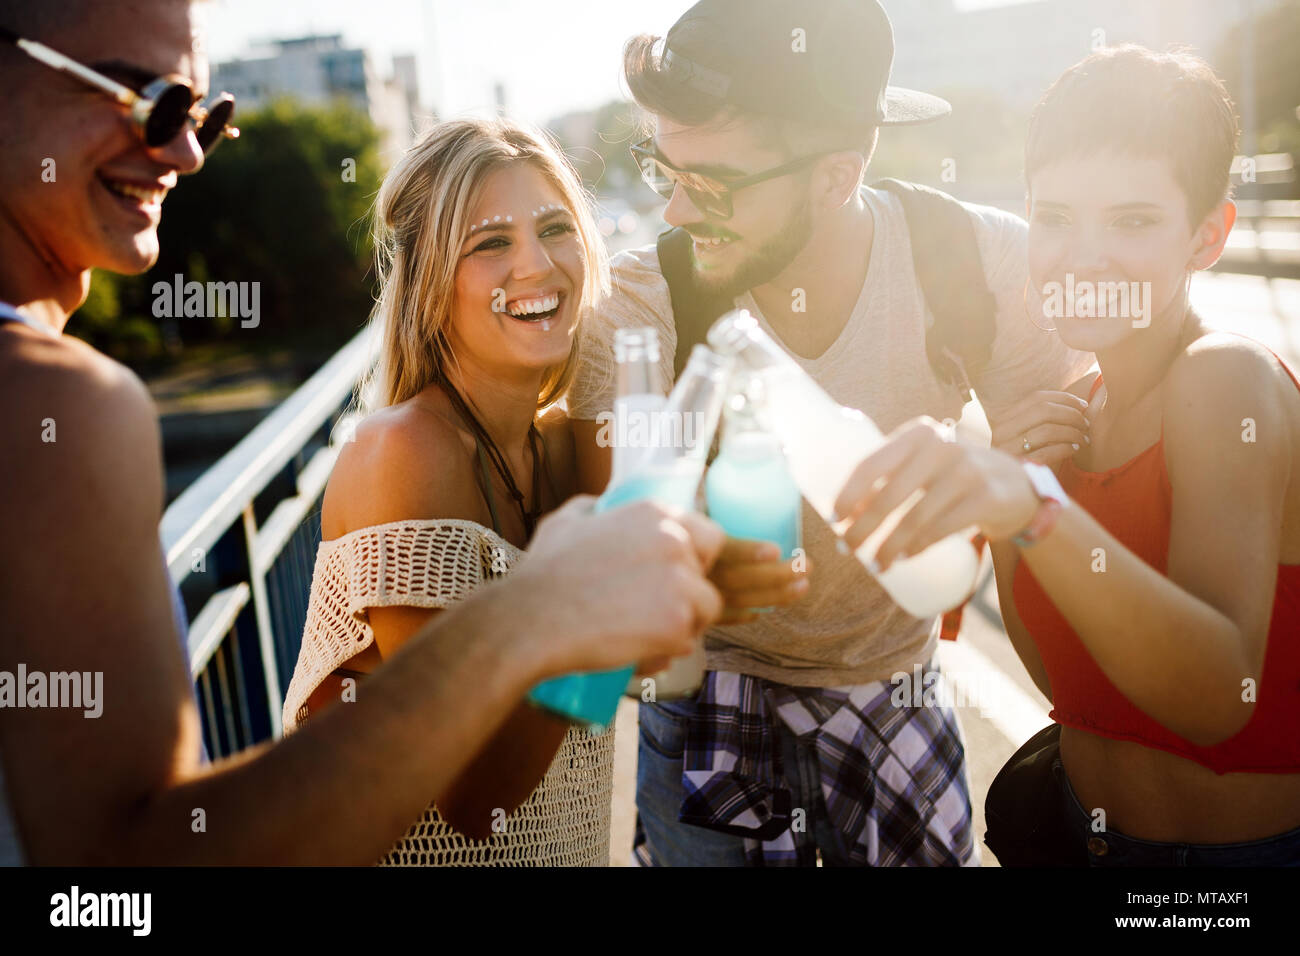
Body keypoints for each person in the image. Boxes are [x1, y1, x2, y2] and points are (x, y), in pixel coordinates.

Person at [0, 0, 724, 866]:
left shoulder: (564, 441)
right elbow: (476, 802)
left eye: (202, 114)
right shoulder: (65, 405)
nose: (185, 151)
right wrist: (557, 617)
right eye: (140, 97)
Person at [568, 0, 1093, 865]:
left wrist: (995, 480)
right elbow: (599, 548)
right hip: (707, 693)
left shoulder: (971, 264)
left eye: (713, 184)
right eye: (664, 170)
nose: (675, 214)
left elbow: (1063, 506)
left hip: (900, 681)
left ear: (836, 176)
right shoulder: (640, 301)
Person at [834, 45, 1300, 866]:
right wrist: (1018, 521)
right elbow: (1067, 688)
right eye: (1054, 218)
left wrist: (1031, 510)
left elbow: (1216, 698)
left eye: (1132, 221)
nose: (1083, 256)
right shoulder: (1070, 412)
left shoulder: (1223, 377)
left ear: (1206, 236)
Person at [280, 115, 646, 865]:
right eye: (490, 243)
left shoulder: (564, 445)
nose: (537, 266)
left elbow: (641, 653)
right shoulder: (402, 455)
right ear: (428, 283)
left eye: (555, 228)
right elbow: (476, 795)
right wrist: (583, 598)